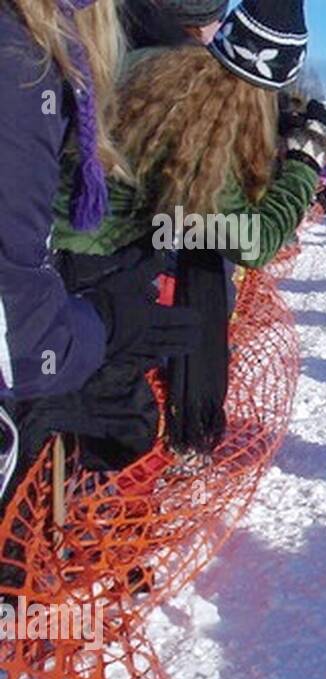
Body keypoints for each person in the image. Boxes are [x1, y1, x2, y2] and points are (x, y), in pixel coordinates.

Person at [49, 0, 326, 462]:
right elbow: (251, 241)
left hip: (53, 246)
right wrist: (304, 164)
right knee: (124, 417)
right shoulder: (207, 120)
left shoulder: (154, 65)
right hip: (89, 269)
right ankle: (101, 494)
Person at [1, 0, 199, 498]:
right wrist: (108, 321)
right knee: (112, 422)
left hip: (71, 292)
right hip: (73, 309)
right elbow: (21, 336)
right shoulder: (22, 65)